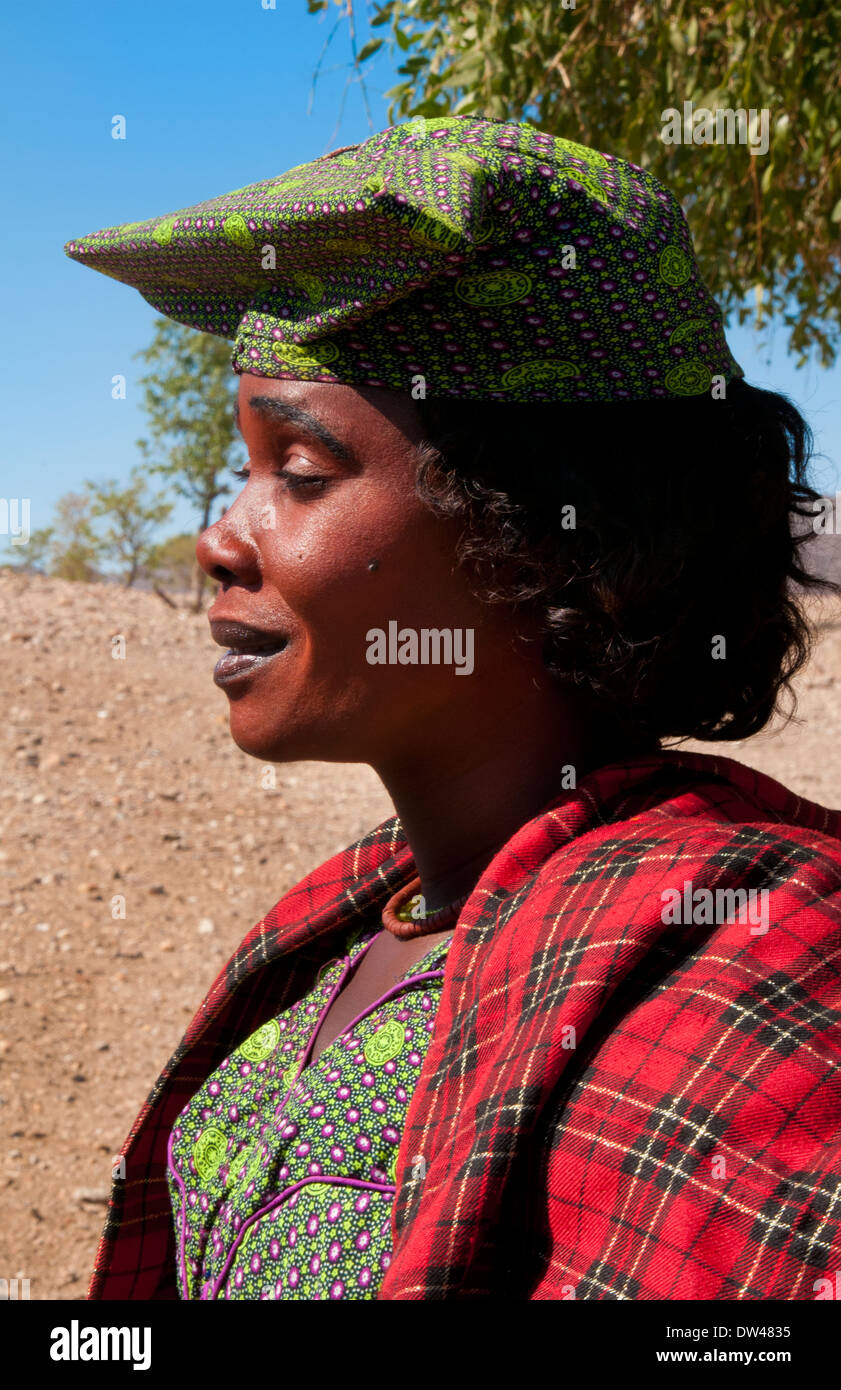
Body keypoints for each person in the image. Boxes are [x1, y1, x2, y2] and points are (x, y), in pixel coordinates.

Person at [64, 115, 841, 1301]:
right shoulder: (346, 933)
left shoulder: (758, 973)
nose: (220, 539)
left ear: (549, 533)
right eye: (244, 467)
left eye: (302, 474)